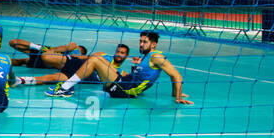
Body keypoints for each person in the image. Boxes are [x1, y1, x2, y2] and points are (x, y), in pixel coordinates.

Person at [46, 31, 192, 104]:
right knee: (98, 58)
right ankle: (66, 86)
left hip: (124, 89)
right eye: (140, 41)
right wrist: (174, 94)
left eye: (145, 42)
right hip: (123, 81)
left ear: (153, 44)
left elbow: (176, 75)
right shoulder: (148, 57)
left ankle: (65, 88)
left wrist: (178, 97)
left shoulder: (157, 57)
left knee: (95, 60)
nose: (141, 44)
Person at [16, 43, 130, 87]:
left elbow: (133, 81)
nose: (119, 54)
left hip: (79, 77)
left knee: (51, 78)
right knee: (45, 56)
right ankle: (44, 48)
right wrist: (77, 56)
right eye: (118, 51)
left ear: (126, 56)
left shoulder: (120, 72)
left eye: (122, 53)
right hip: (76, 63)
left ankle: (20, 80)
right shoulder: (103, 54)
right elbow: (86, 57)